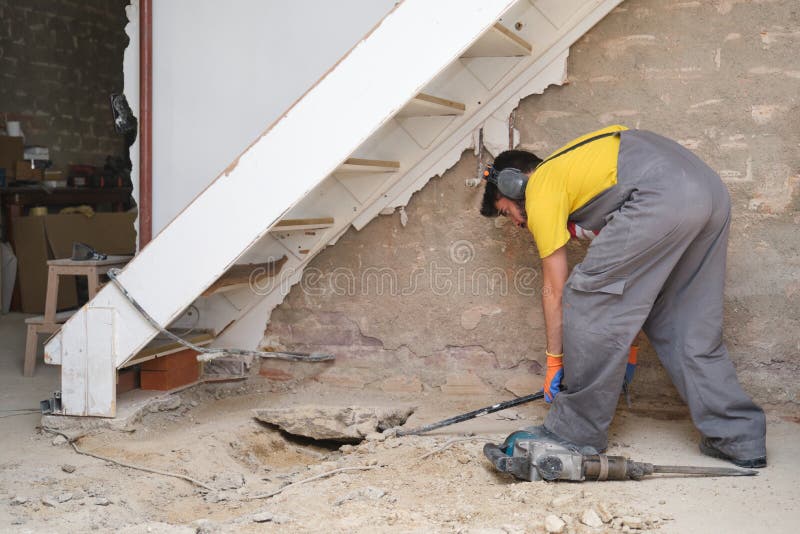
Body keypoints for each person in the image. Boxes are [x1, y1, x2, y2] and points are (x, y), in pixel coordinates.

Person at [479, 125, 767, 468]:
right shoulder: (581, 176)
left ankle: (573, 432)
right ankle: (737, 437)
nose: (514, 222)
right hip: (709, 192)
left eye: (506, 210)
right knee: (683, 321)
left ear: (515, 185)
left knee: (585, 297)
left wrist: (554, 359)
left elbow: (556, 290)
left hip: (660, 195)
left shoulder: (542, 184)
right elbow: (631, 288)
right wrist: (628, 346)